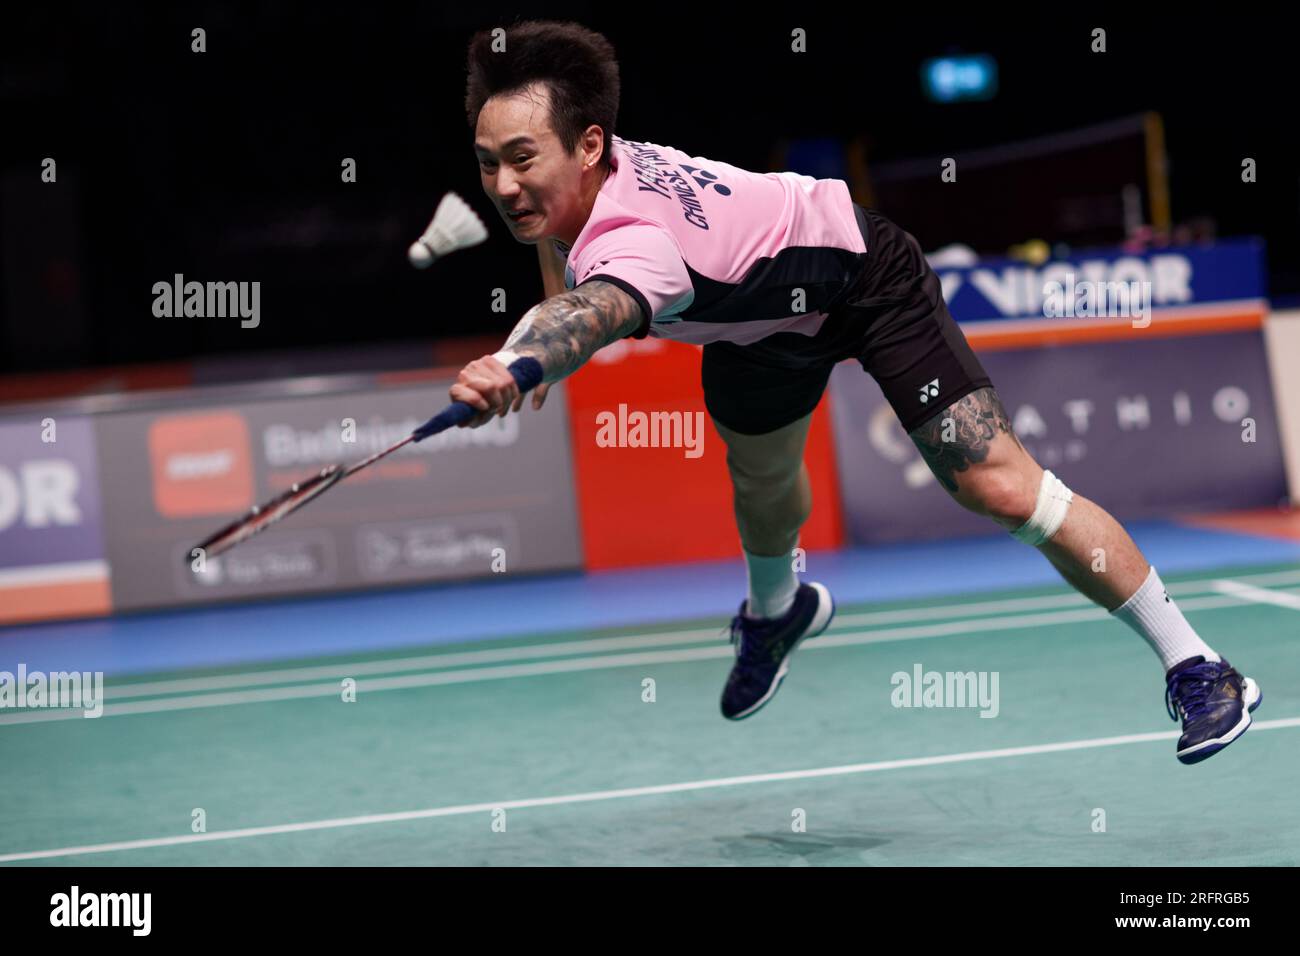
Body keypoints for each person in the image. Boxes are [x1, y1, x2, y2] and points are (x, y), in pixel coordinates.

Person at [449, 19, 1260, 763]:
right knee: (760, 481)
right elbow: (564, 268)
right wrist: (532, 340)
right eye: (488, 164)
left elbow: (594, 312)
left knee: (999, 486)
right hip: (754, 326)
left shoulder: (637, 246)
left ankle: (1201, 666)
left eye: (523, 159)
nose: (505, 185)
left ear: (590, 145)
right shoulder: (590, 181)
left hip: (863, 278)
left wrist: (523, 363)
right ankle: (778, 612)